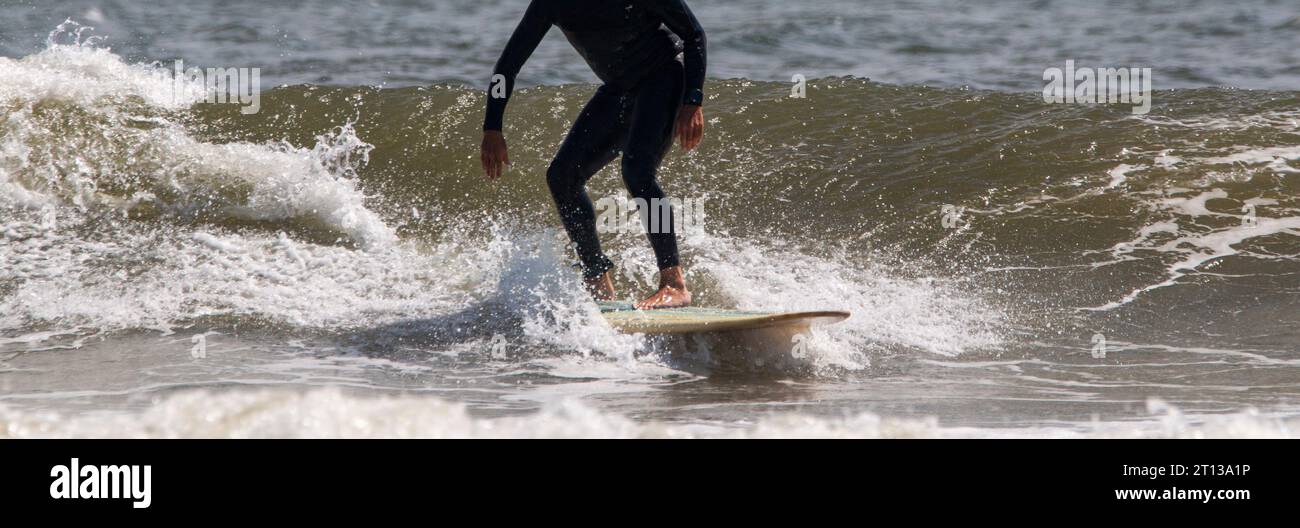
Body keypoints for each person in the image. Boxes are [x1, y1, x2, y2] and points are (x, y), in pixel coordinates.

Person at [479, 0, 706, 309]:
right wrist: (492, 127)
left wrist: (693, 101)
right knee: (562, 176)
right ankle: (598, 281)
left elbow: (693, 35)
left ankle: (674, 283)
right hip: (619, 88)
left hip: (663, 78)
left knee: (637, 171)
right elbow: (507, 66)